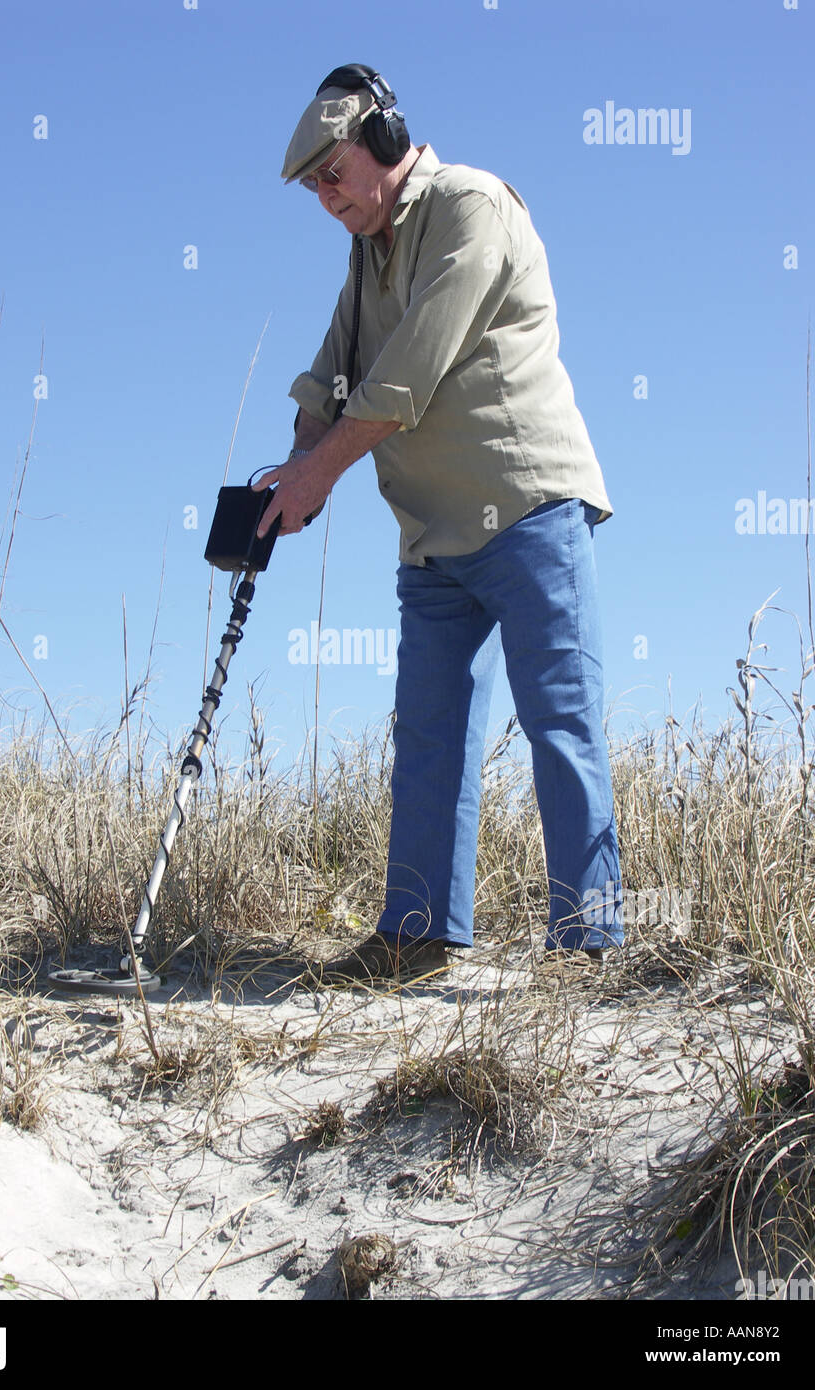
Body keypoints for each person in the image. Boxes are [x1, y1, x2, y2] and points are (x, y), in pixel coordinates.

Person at [252, 64, 624, 985]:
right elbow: (328, 380)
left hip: (527, 507)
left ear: (382, 143)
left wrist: (322, 470)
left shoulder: (474, 205)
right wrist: (296, 466)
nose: (325, 198)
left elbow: (407, 374)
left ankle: (588, 947)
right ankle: (416, 937)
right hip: (430, 538)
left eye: (333, 175)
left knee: (559, 723)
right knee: (426, 734)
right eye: (312, 189)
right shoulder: (365, 253)